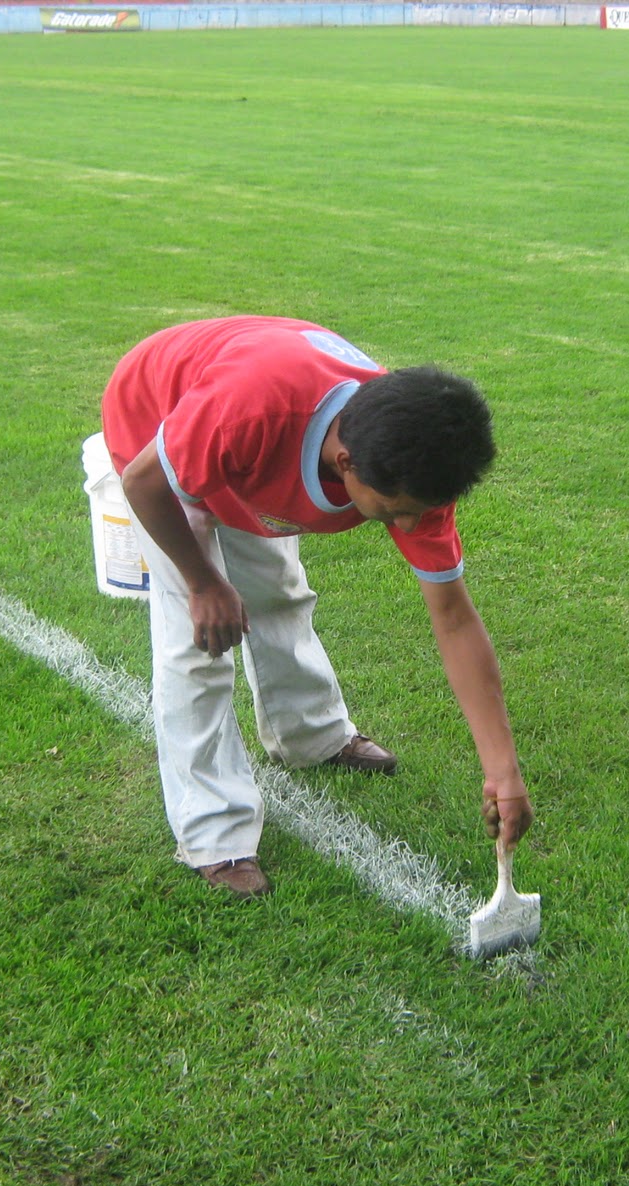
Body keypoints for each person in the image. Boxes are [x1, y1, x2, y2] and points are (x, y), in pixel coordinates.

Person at [101, 316, 533, 897]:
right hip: (155, 421)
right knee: (197, 640)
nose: (409, 526)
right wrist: (203, 584)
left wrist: (503, 769)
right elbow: (144, 481)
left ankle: (311, 736)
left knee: (277, 591)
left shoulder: (418, 463)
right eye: (394, 510)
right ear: (346, 461)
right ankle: (214, 833)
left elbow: (454, 619)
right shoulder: (249, 414)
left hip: (242, 440)